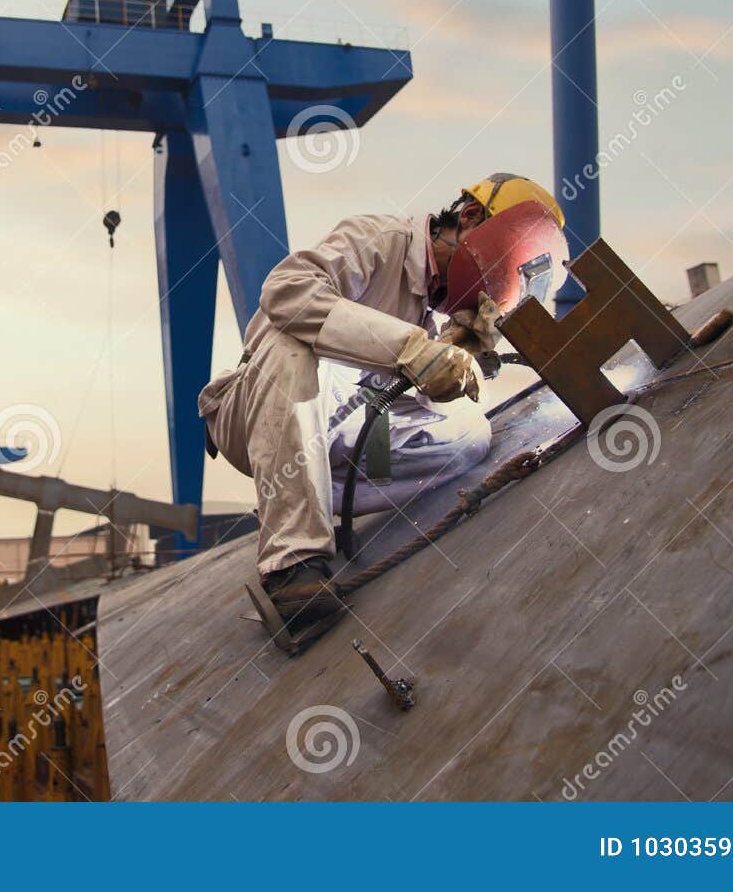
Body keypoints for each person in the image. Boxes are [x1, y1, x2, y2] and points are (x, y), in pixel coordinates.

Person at [199, 173, 566, 629]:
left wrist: (458, 362)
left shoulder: (442, 309)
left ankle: (313, 496)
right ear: (470, 217)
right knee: (292, 342)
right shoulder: (382, 240)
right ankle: (292, 565)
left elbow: (405, 404)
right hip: (257, 409)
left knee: (472, 432)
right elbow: (286, 292)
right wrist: (411, 349)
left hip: (349, 430)